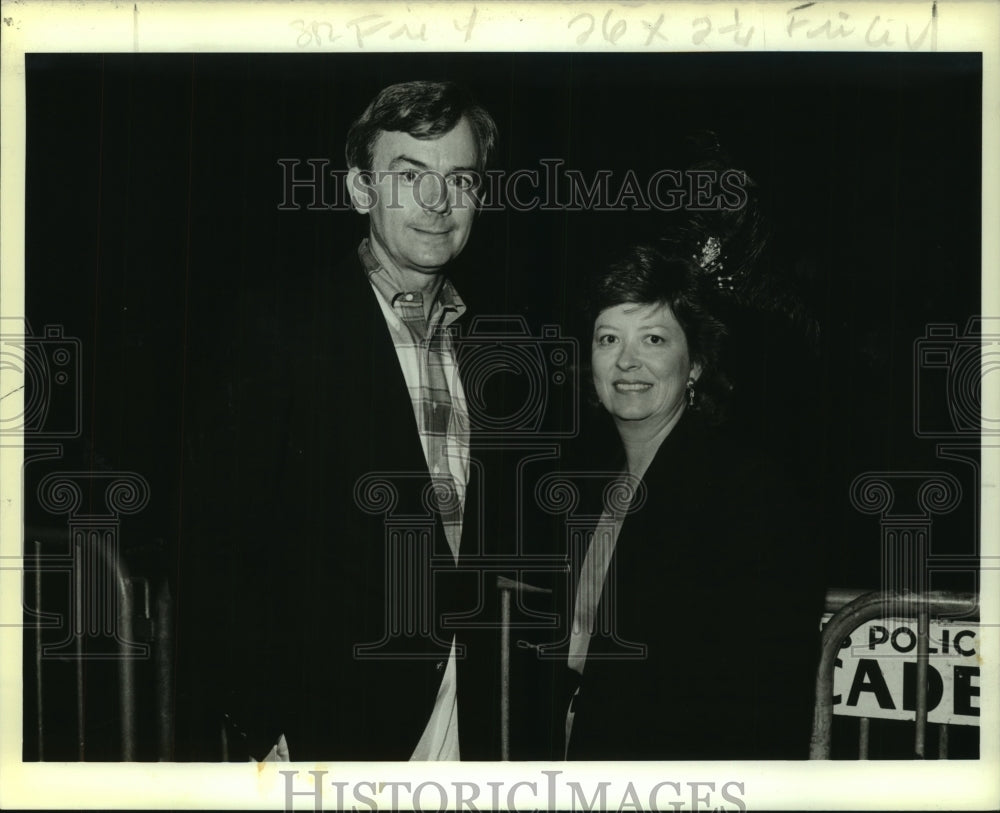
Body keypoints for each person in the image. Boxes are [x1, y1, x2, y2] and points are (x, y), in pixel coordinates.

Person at [182, 80, 500, 762]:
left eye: (460, 179)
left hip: (459, 715)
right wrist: (264, 726)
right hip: (326, 728)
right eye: (409, 176)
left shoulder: (492, 346)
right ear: (360, 191)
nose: (438, 203)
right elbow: (215, 544)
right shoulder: (281, 328)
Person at [560, 239, 825, 760]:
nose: (627, 360)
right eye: (608, 338)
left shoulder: (748, 490)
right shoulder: (591, 492)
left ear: (696, 364)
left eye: (654, 339)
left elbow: (767, 702)